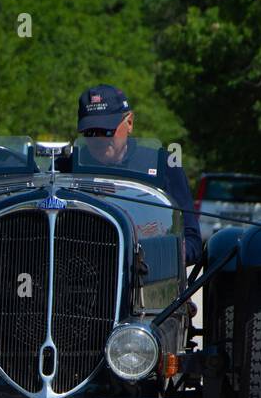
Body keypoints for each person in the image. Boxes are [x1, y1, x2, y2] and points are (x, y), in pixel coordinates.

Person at [69, 84, 202, 265]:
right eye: (90, 133)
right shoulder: (67, 168)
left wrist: (158, 256)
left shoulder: (164, 165)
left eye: (107, 131)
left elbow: (193, 241)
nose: (99, 140)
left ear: (129, 122)